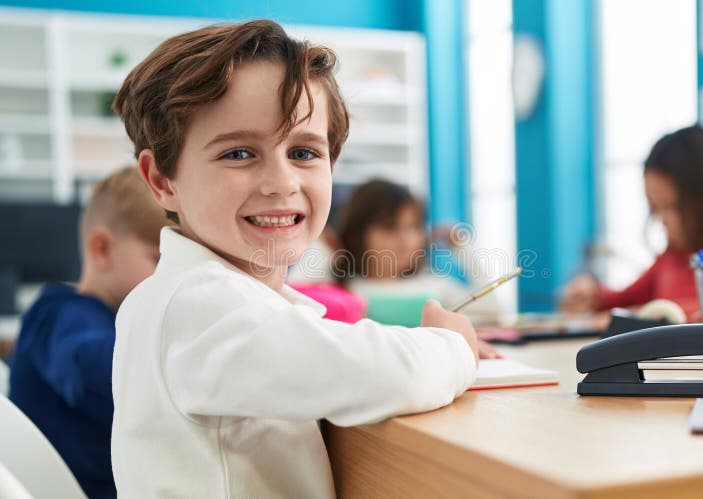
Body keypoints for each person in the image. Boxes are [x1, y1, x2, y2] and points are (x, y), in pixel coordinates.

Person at [110, 20, 481, 498]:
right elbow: (377, 373)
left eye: (304, 152)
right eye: (239, 153)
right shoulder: (198, 304)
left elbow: (317, 354)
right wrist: (452, 346)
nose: (282, 182)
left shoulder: (191, 298)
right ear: (162, 180)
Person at [8, 167, 168, 499]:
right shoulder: (58, 314)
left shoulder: (102, 318)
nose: (173, 278)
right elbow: (90, 368)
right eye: (160, 260)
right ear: (102, 249)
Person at [562, 125, 703, 320]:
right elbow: (621, 299)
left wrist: (645, 314)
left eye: (671, 207)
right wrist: (592, 294)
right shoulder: (671, 258)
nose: (661, 220)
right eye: (655, 208)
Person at [331, 179, 502, 320]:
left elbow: (492, 311)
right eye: (390, 228)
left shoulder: (434, 286)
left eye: (413, 227)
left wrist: (462, 249)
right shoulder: (341, 289)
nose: (405, 241)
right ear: (357, 232)